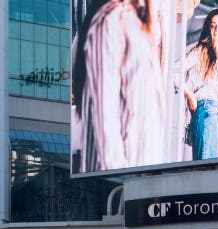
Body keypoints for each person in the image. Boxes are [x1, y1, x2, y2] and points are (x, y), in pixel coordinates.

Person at [71, 0, 167, 172]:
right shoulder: (111, 20)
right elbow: (103, 110)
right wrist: (122, 177)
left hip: (140, 177)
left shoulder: (137, 24)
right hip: (120, 182)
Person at [184, 8, 218, 160]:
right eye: (213, 25)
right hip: (207, 109)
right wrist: (190, 96)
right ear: (208, 28)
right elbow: (174, 71)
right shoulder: (201, 51)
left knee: (214, 169)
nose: (217, 29)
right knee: (206, 165)